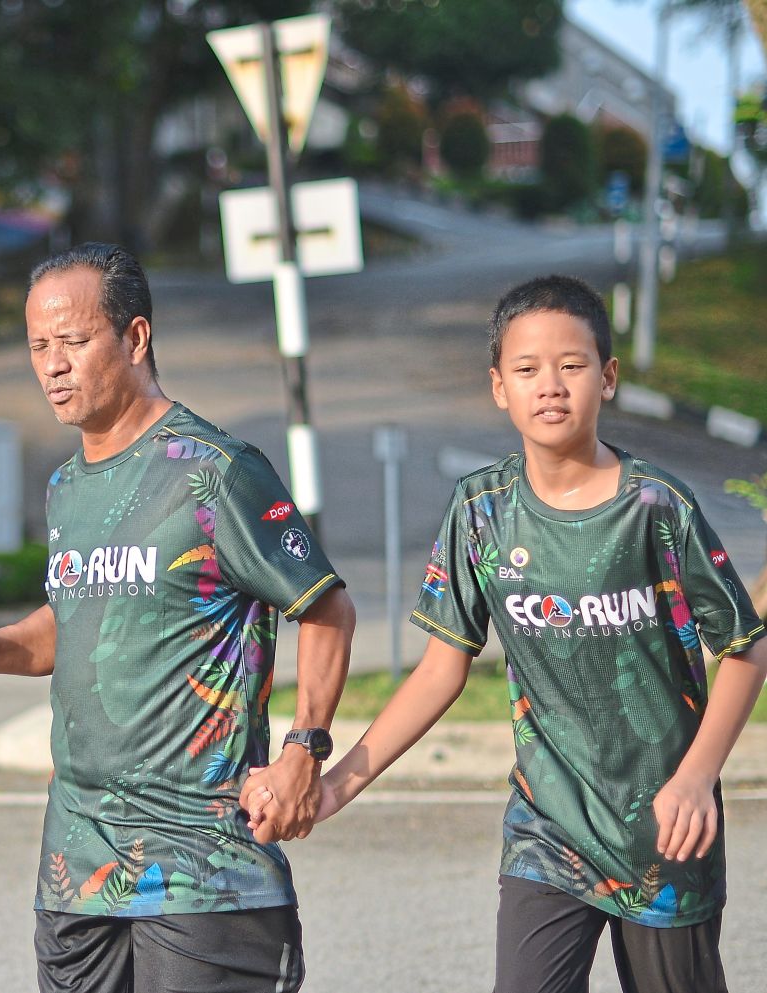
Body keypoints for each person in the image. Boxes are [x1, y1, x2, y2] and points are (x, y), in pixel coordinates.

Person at [244, 274, 767, 993]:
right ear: (499, 387)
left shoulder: (655, 507)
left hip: (664, 831)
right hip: (546, 830)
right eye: (527, 369)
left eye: (572, 365)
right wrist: (336, 786)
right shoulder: (480, 511)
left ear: (608, 377)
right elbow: (439, 670)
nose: (550, 385)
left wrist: (698, 776)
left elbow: (744, 647)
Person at [0, 242, 356, 993]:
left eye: (73, 342)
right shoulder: (68, 486)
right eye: (38, 346)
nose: (52, 365)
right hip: (77, 865)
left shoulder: (217, 471)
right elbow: (75, 619)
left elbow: (326, 604)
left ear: (135, 338)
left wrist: (305, 747)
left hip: (203, 870)